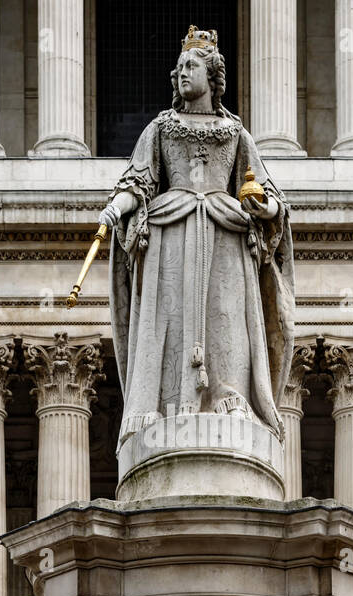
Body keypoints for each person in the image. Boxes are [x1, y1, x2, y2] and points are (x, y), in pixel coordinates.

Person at [99, 25, 294, 447]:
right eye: (180, 67)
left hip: (225, 231)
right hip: (171, 230)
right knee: (166, 314)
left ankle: (230, 392)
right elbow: (140, 181)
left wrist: (266, 208)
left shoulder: (236, 132)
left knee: (225, 314)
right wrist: (117, 207)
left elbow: (268, 192)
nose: (182, 73)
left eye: (192, 66)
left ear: (212, 76)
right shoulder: (160, 127)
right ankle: (166, 400)